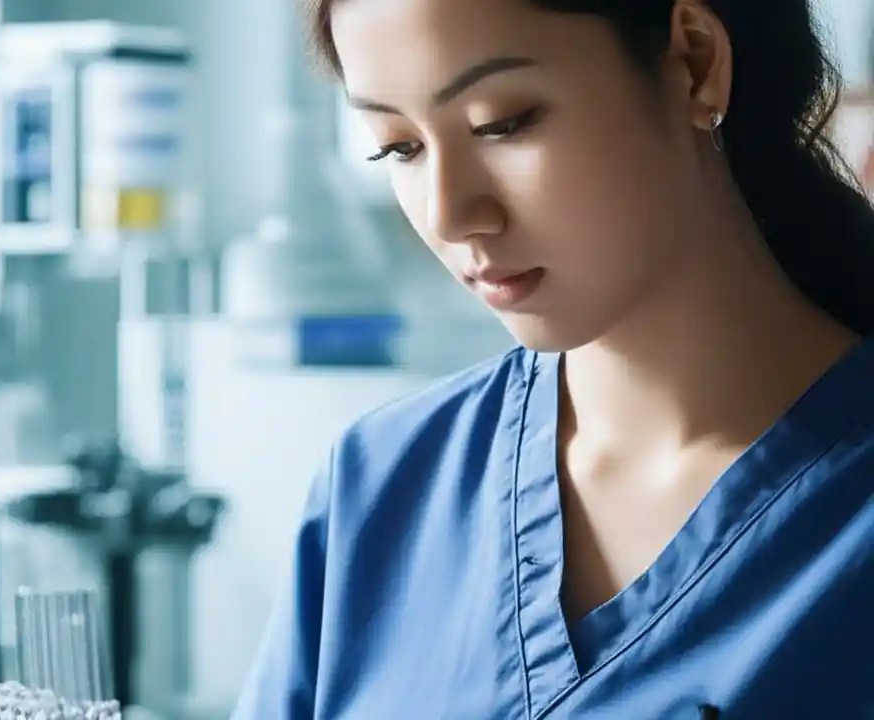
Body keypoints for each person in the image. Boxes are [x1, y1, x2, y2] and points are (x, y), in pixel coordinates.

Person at [231, 0, 874, 717]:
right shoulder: (382, 483)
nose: (449, 213)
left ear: (693, 64)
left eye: (502, 123)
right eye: (400, 147)